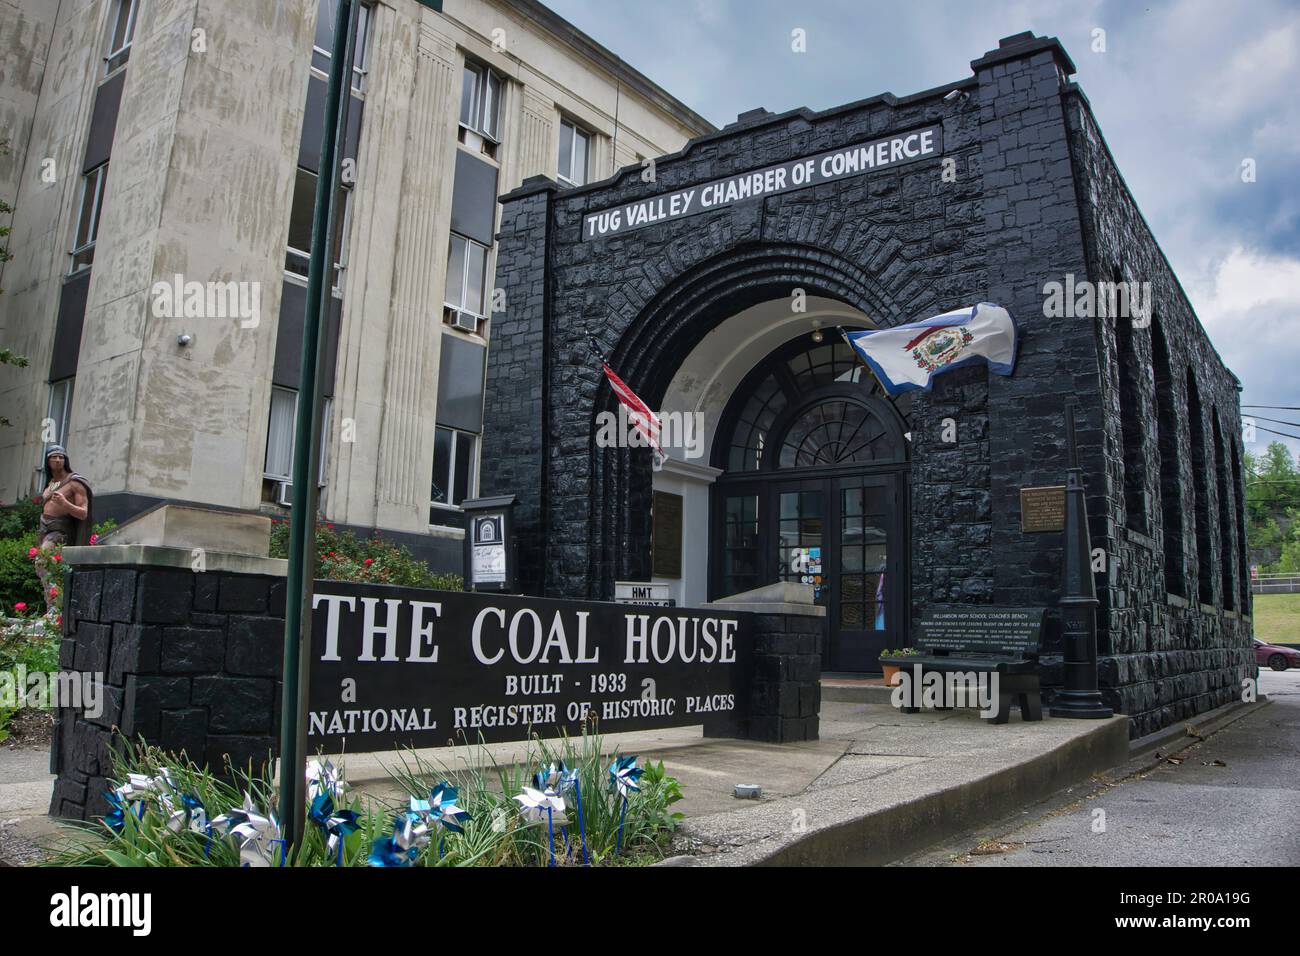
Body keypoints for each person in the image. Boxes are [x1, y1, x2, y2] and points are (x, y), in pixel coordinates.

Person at [35, 444, 94, 592]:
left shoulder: (75, 482)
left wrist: (65, 503)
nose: (57, 460)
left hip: (61, 532)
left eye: (61, 457)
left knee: (42, 562)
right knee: (45, 568)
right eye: (53, 457)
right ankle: (52, 605)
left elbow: (83, 513)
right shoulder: (49, 484)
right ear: (47, 461)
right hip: (45, 529)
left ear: (65, 460)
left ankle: (55, 605)